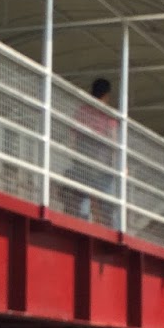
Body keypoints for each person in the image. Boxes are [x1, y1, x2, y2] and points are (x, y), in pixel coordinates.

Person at [70, 77, 117, 224]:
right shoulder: (108, 115)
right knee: (109, 198)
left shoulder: (82, 111)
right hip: (101, 164)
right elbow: (113, 141)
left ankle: (82, 223)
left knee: (84, 195)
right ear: (107, 95)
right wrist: (118, 165)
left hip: (83, 161)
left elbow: (73, 135)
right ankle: (111, 227)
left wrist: (73, 155)